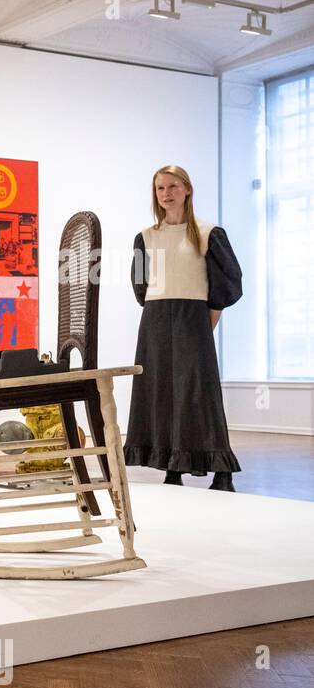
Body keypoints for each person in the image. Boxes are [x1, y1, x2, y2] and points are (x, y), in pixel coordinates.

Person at [124, 164, 243, 491]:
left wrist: (208, 320)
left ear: (187, 189)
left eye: (173, 187)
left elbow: (229, 281)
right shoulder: (145, 237)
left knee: (199, 394)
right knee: (161, 391)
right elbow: (140, 286)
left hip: (193, 319)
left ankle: (222, 471)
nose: (166, 194)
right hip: (156, 321)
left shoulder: (208, 233)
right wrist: (159, 312)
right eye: (161, 188)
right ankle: (171, 466)